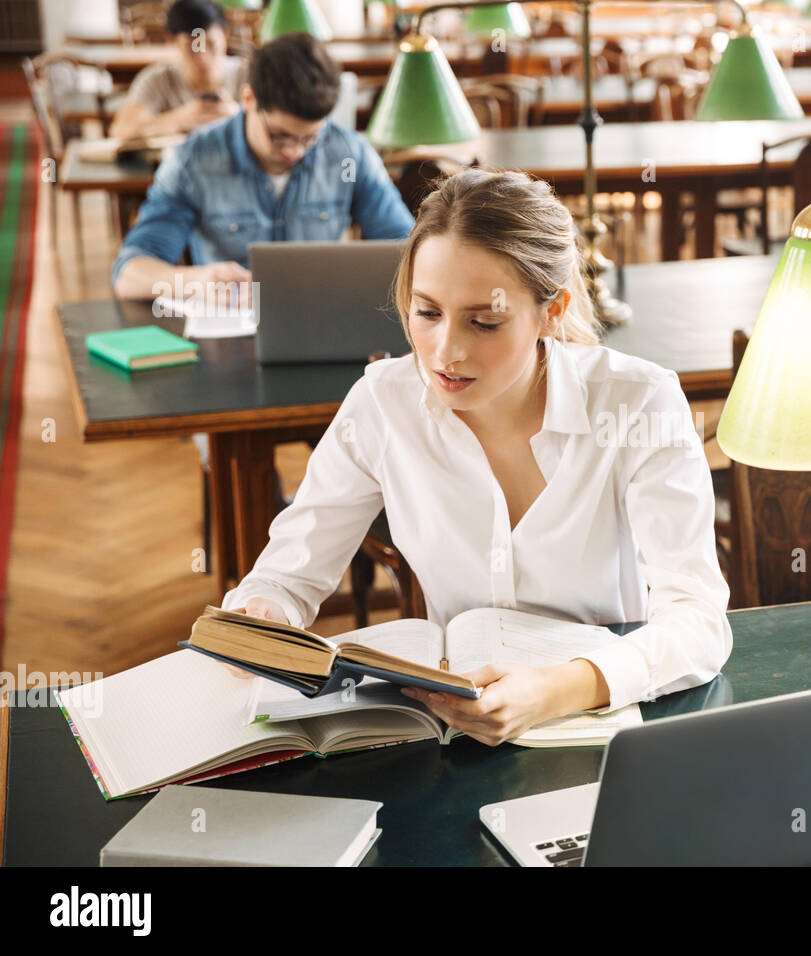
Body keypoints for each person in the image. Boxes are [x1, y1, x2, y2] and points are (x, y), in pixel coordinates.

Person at [220, 168, 733, 746]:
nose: (445, 352)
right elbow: (286, 578)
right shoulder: (383, 403)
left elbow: (699, 622)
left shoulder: (638, 401)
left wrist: (556, 690)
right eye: (427, 313)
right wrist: (264, 612)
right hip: (458, 731)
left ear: (552, 311)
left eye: (483, 321)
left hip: (612, 730)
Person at [111, 32, 414, 303]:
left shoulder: (349, 155)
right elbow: (129, 273)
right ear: (248, 98)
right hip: (229, 334)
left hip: (321, 320)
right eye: (280, 136)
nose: (294, 151)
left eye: (310, 138)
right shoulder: (194, 162)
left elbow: (409, 254)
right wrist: (196, 281)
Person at [108, 0, 246, 141]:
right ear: (172, 40)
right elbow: (121, 130)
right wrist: (178, 119)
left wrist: (238, 117)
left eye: (211, 44)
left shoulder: (246, 74)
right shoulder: (158, 79)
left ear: (225, 34)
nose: (202, 58)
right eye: (191, 47)